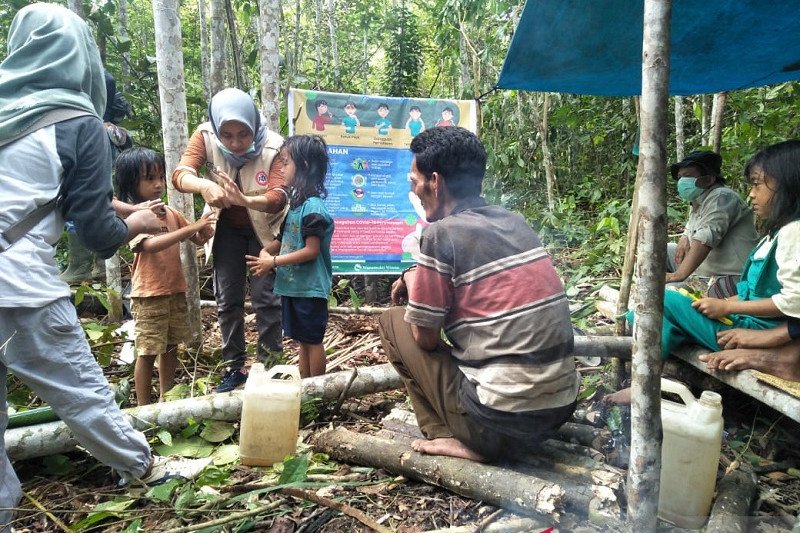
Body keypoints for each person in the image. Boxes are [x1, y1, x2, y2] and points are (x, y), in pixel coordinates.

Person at [0, 5, 209, 525]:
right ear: (80, 58)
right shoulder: (76, 120)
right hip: (17, 284)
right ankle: (143, 467)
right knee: (82, 390)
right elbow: (94, 230)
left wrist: (128, 210)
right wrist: (138, 223)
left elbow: (46, 198)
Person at [378, 127, 579, 462]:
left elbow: (424, 338)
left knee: (392, 321)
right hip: (557, 413)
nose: (413, 188)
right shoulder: (515, 222)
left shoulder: (440, 235)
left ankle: (450, 434)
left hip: (497, 425)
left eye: (414, 180)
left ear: (436, 182)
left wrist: (413, 282)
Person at [172, 88, 288, 392]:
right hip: (225, 229)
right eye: (228, 135)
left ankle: (271, 366)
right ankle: (233, 368)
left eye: (243, 134)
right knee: (228, 300)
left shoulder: (274, 147)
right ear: (217, 128)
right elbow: (181, 173)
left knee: (267, 299)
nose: (235, 143)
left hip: (264, 230)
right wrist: (203, 186)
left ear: (254, 125)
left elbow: (278, 197)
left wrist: (245, 200)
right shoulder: (206, 136)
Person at [223, 135, 334, 379]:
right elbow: (282, 239)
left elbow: (310, 250)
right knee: (304, 340)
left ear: (303, 166)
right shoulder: (295, 207)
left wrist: (272, 262)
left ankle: (318, 391)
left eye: (286, 162)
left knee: (313, 341)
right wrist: (266, 251)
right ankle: (306, 389)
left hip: (310, 289)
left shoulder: (313, 208)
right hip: (295, 288)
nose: (281, 168)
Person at [117, 148, 216, 405]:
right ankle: (142, 407)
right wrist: (193, 228)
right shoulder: (135, 217)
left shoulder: (171, 213)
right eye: (150, 178)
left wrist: (206, 226)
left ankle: (167, 399)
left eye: (160, 177)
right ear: (132, 183)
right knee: (148, 351)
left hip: (174, 289)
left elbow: (196, 238)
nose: (158, 184)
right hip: (148, 294)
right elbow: (150, 246)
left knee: (171, 346)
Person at [60, 69, 134, 284]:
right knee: (96, 200)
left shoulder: (92, 125)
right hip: (102, 140)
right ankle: (94, 265)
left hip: (93, 143)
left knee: (82, 198)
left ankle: (81, 266)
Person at [666, 150, 759, 298]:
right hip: (704, 269)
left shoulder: (721, 196)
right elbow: (693, 224)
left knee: (668, 293)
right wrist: (684, 236)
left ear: (709, 179)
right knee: (666, 249)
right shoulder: (699, 199)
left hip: (729, 277)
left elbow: (706, 237)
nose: (682, 181)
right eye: (680, 177)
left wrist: (678, 275)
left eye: (688, 176)